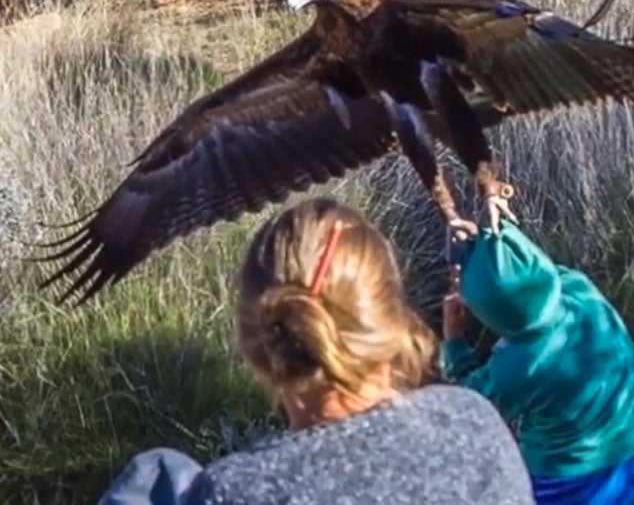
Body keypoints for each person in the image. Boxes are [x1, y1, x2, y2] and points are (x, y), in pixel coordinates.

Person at [99, 197, 535, 505]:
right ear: (393, 316)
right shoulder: (475, 426)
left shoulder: (236, 491)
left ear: (254, 346)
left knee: (156, 478)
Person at [441, 220, 634, 505]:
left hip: (567, 484)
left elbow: (470, 403)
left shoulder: (519, 366)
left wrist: (453, 340)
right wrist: (491, 249)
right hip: (628, 458)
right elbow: (531, 277)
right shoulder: (579, 288)